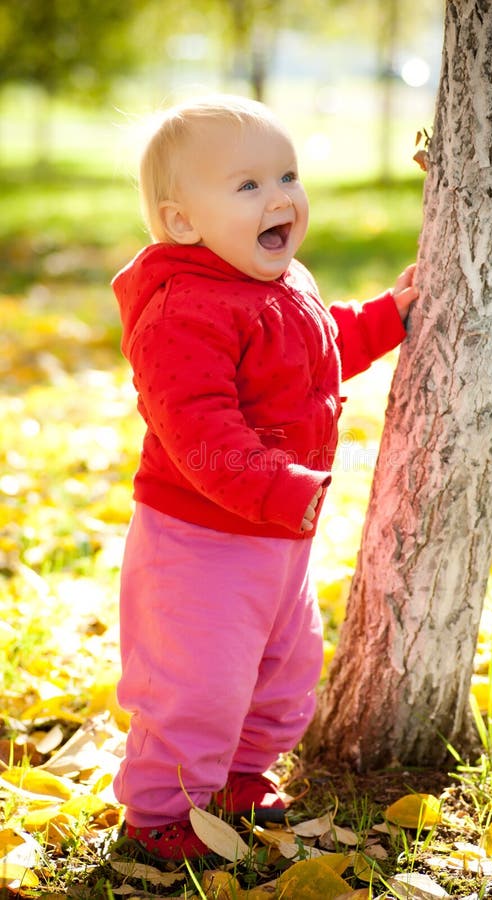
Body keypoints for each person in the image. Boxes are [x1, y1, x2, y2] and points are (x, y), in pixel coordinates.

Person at [112, 93, 419, 861]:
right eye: (247, 185)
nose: (281, 196)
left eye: (287, 175)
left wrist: (391, 315)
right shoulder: (184, 309)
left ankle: (244, 773)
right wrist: (280, 486)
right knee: (197, 683)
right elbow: (196, 426)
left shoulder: (284, 283)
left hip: (277, 537)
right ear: (184, 222)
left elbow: (326, 340)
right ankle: (159, 814)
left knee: (283, 671)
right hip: (200, 542)